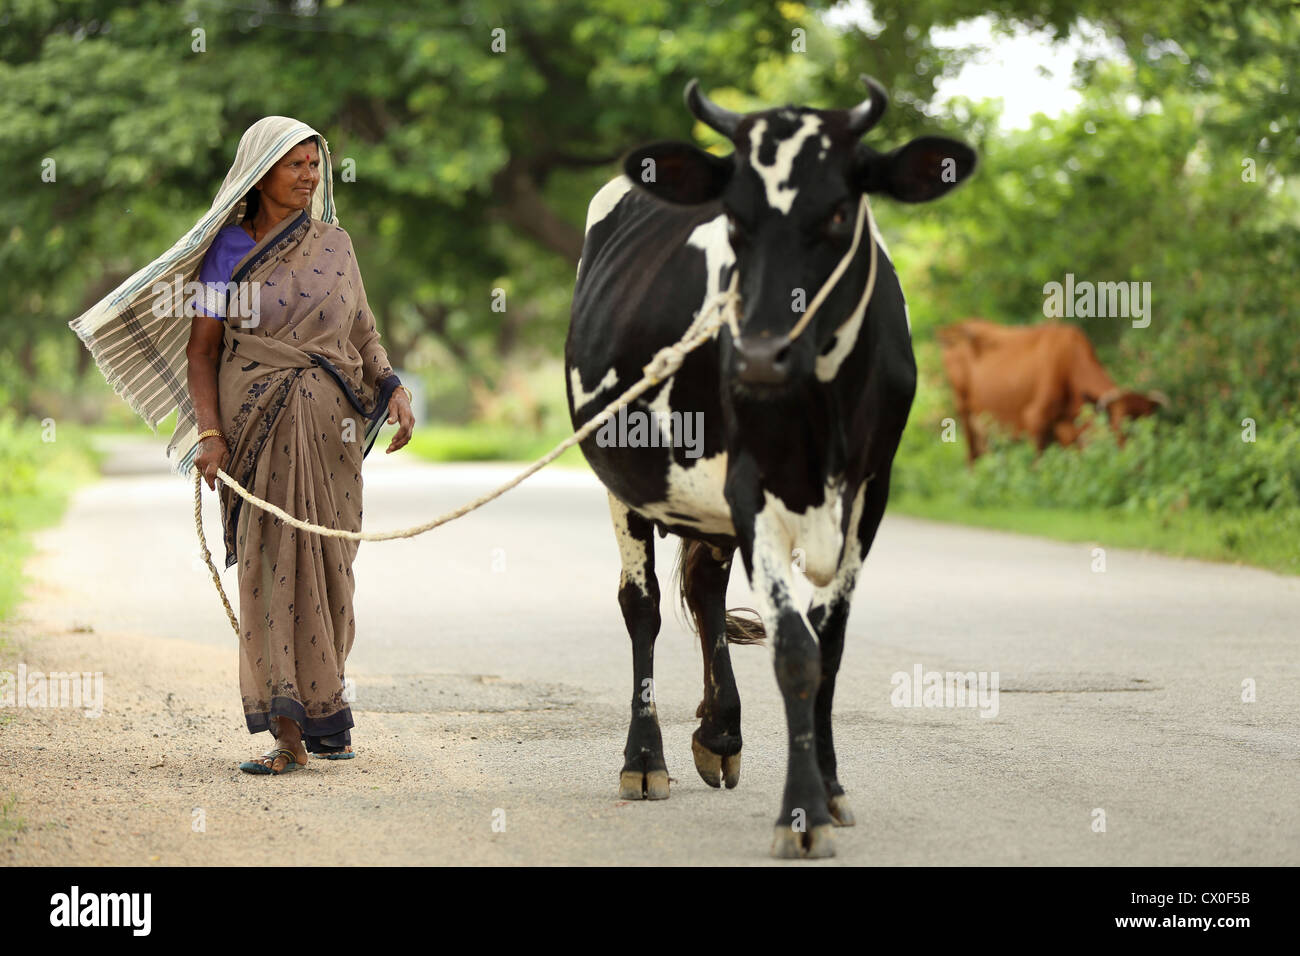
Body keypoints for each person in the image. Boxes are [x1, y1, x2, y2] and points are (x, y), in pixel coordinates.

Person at [71, 115, 414, 776]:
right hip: (254, 432)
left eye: (316, 166)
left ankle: (327, 714)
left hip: (333, 437)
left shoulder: (336, 246)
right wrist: (208, 433)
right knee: (267, 571)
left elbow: (364, 333)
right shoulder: (225, 253)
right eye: (297, 166)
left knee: (332, 571)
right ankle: (287, 734)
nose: (311, 178)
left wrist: (393, 386)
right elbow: (203, 353)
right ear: (261, 173)